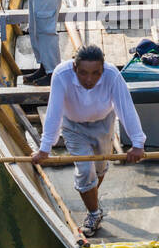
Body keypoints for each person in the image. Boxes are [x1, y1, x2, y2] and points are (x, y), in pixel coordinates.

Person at [31, 44, 145, 237]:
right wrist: (45, 148)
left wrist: (137, 143)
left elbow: (126, 108)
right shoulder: (61, 74)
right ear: (75, 68)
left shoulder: (112, 75)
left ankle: (91, 197)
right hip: (73, 126)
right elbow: (54, 112)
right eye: (83, 73)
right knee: (85, 170)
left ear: (103, 69)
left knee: (99, 169)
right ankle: (93, 212)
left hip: (103, 123)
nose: (89, 79)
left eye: (96, 73)